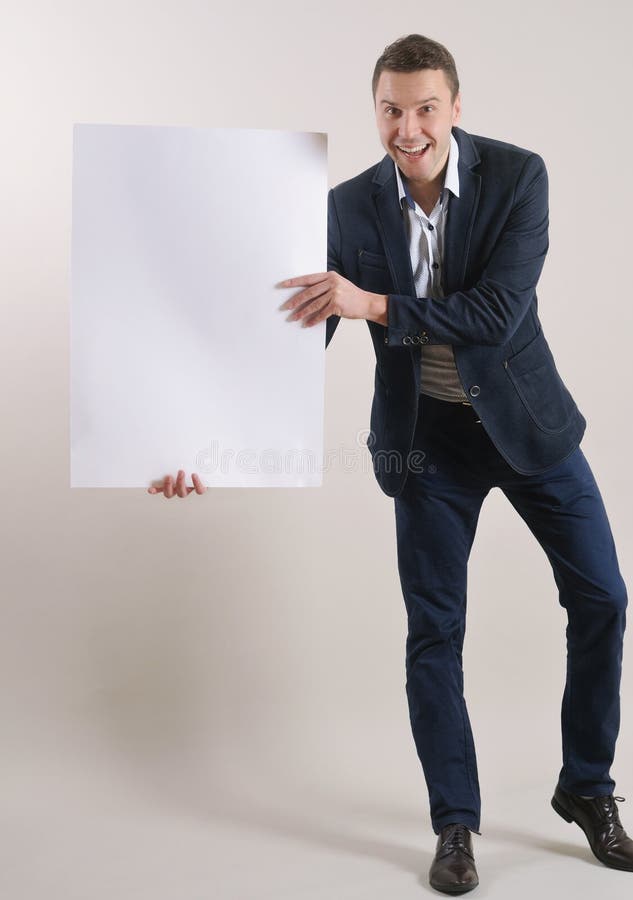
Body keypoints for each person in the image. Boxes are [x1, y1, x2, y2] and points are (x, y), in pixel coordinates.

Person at [149, 34, 632, 895]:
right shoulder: (344, 207)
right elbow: (297, 338)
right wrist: (201, 442)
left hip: (528, 429)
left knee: (602, 596)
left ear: (454, 108)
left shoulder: (520, 179)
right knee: (433, 633)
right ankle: (454, 823)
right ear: (375, 108)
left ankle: (585, 788)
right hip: (425, 441)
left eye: (423, 108)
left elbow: (491, 313)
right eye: (389, 109)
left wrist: (369, 301)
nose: (405, 128)